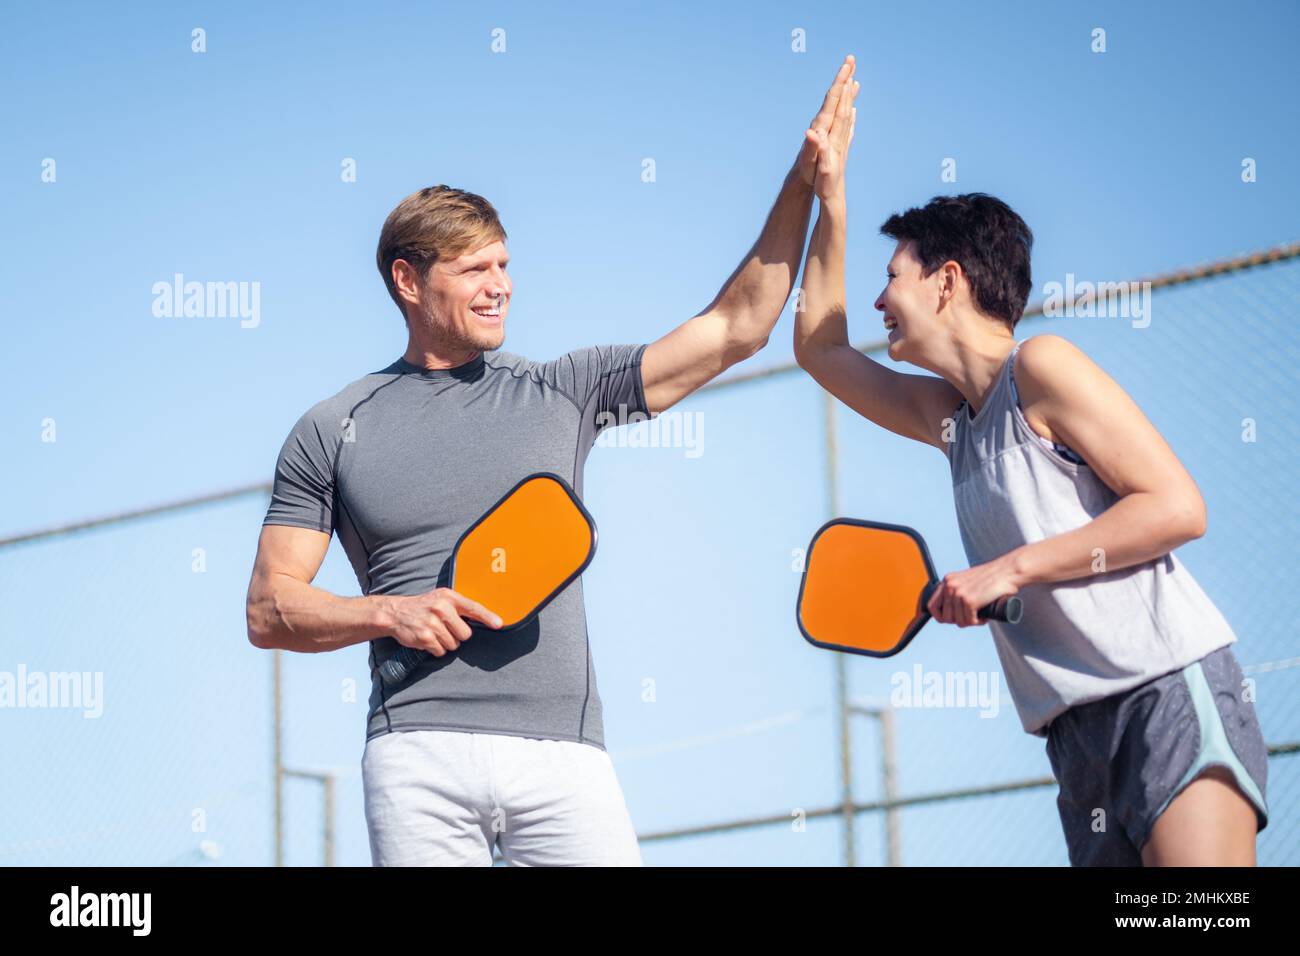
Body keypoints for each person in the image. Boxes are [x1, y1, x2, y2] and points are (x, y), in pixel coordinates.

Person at [244, 57, 860, 866]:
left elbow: (739, 326)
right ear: (407, 279)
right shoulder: (333, 427)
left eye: (504, 265)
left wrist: (803, 182)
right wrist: (389, 613)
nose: (499, 286)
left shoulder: (563, 391)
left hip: (565, 758)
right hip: (415, 752)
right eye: (473, 270)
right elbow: (269, 609)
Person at [793, 59, 1268, 866]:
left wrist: (1007, 570)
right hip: (1072, 733)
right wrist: (827, 199)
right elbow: (819, 347)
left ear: (947, 282)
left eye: (891, 278)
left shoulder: (1041, 366)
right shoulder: (951, 420)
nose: (878, 301)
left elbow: (1178, 507)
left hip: (1162, 692)